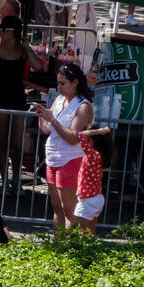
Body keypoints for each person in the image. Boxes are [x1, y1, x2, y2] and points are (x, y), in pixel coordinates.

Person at [0, 16, 44, 182]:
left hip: (17, 98)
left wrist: (27, 47)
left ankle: (16, 179)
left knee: (17, 144)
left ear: (14, 32)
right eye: (0, 29)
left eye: (4, 30)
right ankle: (4, 179)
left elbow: (38, 66)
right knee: (2, 142)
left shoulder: (23, 51)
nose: (0, 32)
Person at [32, 62, 95, 232]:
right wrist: (41, 116)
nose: (59, 87)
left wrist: (52, 119)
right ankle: (58, 249)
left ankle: (71, 249)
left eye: (62, 83)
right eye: (57, 83)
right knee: (57, 208)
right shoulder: (59, 99)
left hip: (70, 159)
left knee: (69, 209)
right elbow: (46, 129)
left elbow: (73, 138)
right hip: (53, 159)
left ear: (75, 82)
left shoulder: (83, 106)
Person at [71, 126, 112, 233]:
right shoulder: (98, 156)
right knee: (90, 232)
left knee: (81, 232)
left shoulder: (93, 155)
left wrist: (99, 131)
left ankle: (80, 249)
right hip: (95, 198)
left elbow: (80, 135)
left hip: (88, 199)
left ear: (92, 141)